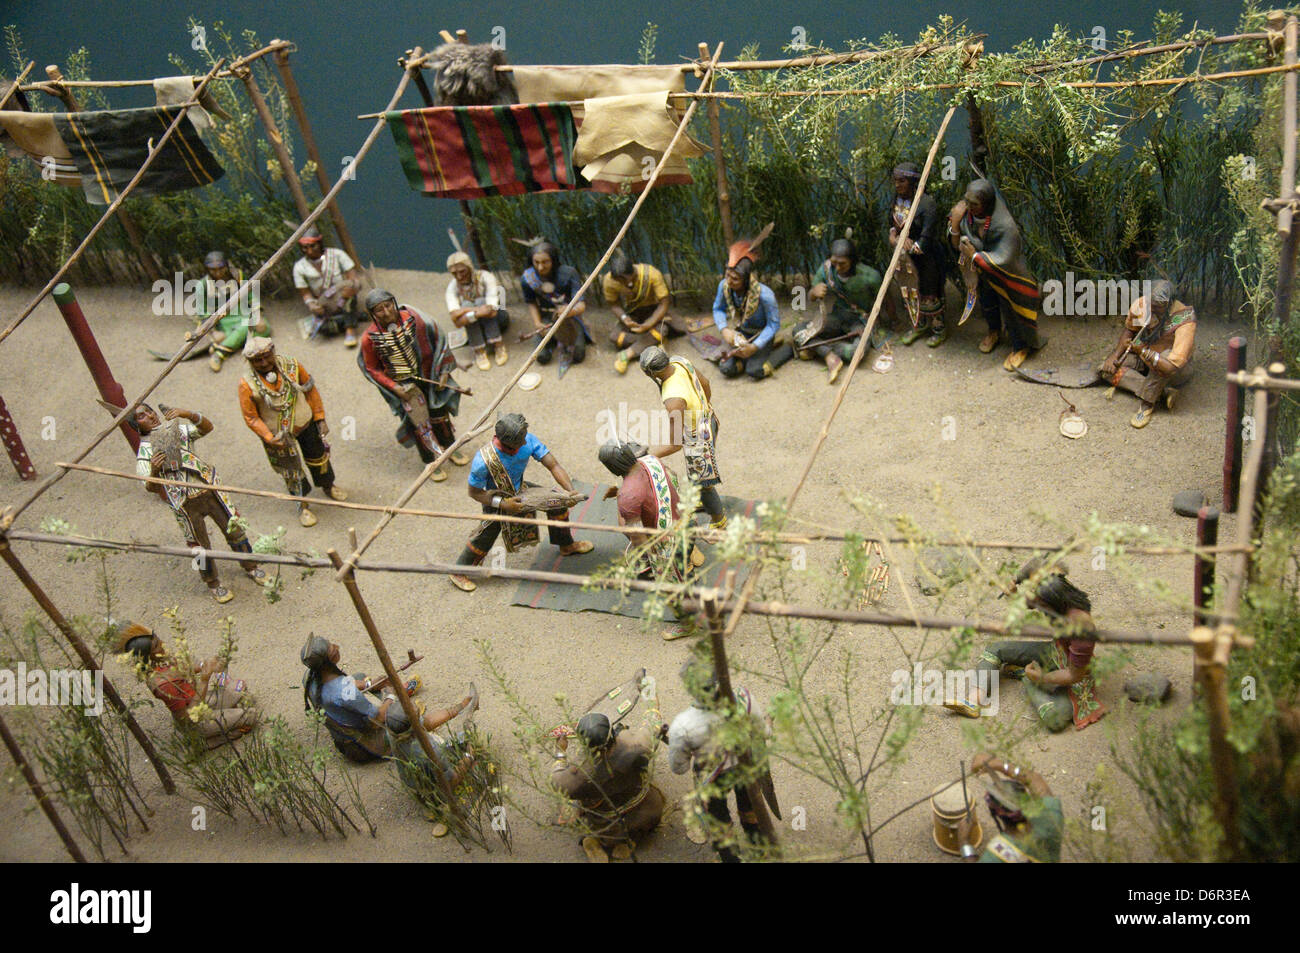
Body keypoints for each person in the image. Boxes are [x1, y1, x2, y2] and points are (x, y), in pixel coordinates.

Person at [945, 558, 1106, 732]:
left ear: (1054, 604)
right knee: (995, 650)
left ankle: (1026, 677)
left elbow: (1074, 675)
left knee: (1054, 719)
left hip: (1074, 671)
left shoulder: (1082, 627)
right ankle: (973, 700)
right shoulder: (1053, 595)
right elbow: (1035, 566)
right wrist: (1015, 582)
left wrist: (1041, 678)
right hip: (1055, 651)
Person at [128, 402, 266, 604]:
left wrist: (188, 414)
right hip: (184, 503)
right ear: (137, 427)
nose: (150, 416)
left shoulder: (179, 431)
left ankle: (251, 566)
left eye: (149, 411)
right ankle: (212, 583)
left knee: (234, 530)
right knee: (199, 548)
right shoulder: (146, 453)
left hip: (209, 492)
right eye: (142, 416)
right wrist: (154, 472)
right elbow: (149, 487)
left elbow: (207, 428)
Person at [449, 413, 593, 592]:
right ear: (507, 445)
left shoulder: (527, 440)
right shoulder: (483, 462)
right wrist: (503, 504)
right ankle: (458, 571)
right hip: (497, 498)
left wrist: (569, 491)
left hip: (521, 489)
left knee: (558, 502)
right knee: (487, 532)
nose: (525, 443)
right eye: (520, 442)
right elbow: (475, 493)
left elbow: (553, 465)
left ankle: (566, 544)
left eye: (525, 438)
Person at [666, 660, 775, 863]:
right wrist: (769, 721)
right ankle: (759, 849)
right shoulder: (744, 699)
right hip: (745, 767)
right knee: (750, 807)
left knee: (718, 820)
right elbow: (764, 732)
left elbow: (678, 768)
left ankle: (731, 858)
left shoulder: (682, 726)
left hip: (712, 779)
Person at [358, 287, 470, 480]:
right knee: (420, 424)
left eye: (388, 306)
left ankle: (450, 448)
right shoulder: (370, 339)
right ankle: (430, 460)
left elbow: (439, 340)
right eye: (379, 310)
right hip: (405, 387)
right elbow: (371, 368)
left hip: (430, 375)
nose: (386, 312)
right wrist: (394, 387)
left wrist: (443, 371)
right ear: (371, 314)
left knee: (440, 415)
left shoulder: (416, 319)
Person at [238, 337, 346, 528]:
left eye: (266, 357)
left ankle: (328, 485)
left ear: (273, 352)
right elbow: (251, 417)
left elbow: (310, 390)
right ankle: (302, 505)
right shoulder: (247, 384)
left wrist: (319, 417)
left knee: (319, 456)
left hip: (305, 422)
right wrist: (269, 437)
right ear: (250, 362)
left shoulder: (292, 366)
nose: (264, 363)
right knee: (291, 470)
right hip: (278, 435)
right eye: (257, 360)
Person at [114, 620, 258, 749]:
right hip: (195, 720)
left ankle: (225, 718)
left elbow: (187, 667)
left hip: (201, 701)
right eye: (157, 645)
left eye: (158, 639)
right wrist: (204, 680)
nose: (163, 644)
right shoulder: (162, 684)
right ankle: (204, 741)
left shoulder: (162, 660)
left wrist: (207, 665)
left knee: (242, 690)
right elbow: (188, 717)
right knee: (251, 716)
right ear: (147, 655)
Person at [949, 179, 1044, 370]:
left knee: (1011, 311)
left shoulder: (1005, 226)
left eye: (974, 203)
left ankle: (1020, 346)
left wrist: (974, 255)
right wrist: (956, 225)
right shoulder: (966, 216)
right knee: (987, 304)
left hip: (1006, 277)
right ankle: (994, 331)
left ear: (987, 203)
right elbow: (954, 243)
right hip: (983, 273)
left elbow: (1005, 258)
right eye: (966, 201)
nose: (969, 207)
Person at [552, 711, 666, 862]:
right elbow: (653, 723)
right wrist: (650, 700)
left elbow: (556, 781)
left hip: (603, 819)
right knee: (650, 810)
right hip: (640, 809)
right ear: (612, 734)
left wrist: (560, 752)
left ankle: (593, 840)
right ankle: (628, 841)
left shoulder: (578, 775)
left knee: (581, 813)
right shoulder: (633, 745)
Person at [299, 635, 431, 763]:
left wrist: (370, 684)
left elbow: (342, 685)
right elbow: (378, 719)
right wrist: (392, 695)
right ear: (328, 661)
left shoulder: (310, 676)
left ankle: (397, 693)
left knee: (360, 676)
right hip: (361, 748)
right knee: (402, 721)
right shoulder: (346, 693)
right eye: (333, 650)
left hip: (343, 734)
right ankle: (405, 700)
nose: (337, 646)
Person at [638, 347, 727, 529]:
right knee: (696, 476)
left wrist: (646, 456)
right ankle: (702, 499)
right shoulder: (679, 360)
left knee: (703, 482)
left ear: (651, 373)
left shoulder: (673, 400)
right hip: (709, 419)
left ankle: (719, 521)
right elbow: (706, 382)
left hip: (698, 438)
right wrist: (703, 406)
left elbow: (675, 444)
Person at [773, 237, 882, 383]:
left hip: (860, 321)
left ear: (853, 260)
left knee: (857, 353)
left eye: (842, 264)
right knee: (798, 331)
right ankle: (829, 356)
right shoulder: (826, 270)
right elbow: (811, 295)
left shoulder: (870, 276)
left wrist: (892, 321)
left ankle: (815, 347)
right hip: (837, 317)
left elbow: (883, 300)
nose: (837, 268)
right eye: (834, 262)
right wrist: (814, 292)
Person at [1098, 279, 1196, 429]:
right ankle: (1163, 393)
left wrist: (1142, 350)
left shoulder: (1185, 319)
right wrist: (1114, 356)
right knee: (1106, 370)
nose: (1152, 309)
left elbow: (1171, 367)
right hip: (1146, 356)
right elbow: (1130, 330)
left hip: (1172, 368)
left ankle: (1147, 405)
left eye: (1157, 307)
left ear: (1168, 303)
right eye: (1151, 304)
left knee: (1161, 366)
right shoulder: (1143, 304)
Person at [956, 752, 1063, 863]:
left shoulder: (995, 857)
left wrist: (964, 843)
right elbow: (1035, 779)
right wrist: (1001, 765)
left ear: (997, 813)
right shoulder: (1050, 816)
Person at [889, 162, 947, 348]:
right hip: (905, 258)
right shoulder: (896, 200)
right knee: (911, 292)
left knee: (930, 293)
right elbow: (891, 228)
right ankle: (919, 324)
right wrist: (895, 239)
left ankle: (939, 328)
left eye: (902, 181)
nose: (898, 185)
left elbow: (926, 239)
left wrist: (910, 245)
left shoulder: (927, 204)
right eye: (895, 181)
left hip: (927, 258)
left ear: (913, 181)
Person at [603, 251, 686, 374]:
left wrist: (649, 323)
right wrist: (624, 318)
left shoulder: (652, 275)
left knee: (662, 330)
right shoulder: (609, 280)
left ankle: (628, 353)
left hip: (653, 311)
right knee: (614, 337)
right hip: (633, 313)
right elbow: (613, 304)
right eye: (618, 281)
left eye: (623, 280)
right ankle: (653, 341)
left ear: (631, 275)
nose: (622, 283)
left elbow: (664, 303)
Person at [520, 241, 592, 366]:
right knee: (541, 357)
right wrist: (538, 324)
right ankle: (554, 338)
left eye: (545, 262)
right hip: (546, 318)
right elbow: (531, 302)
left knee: (578, 356)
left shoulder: (569, 273)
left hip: (570, 318)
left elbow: (581, 305)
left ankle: (561, 337)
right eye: (536, 262)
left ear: (553, 260)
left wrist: (570, 311)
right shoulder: (528, 278)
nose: (540, 267)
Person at [711, 253, 781, 380]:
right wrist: (724, 329)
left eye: (735, 279)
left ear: (746, 280)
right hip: (742, 334)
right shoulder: (724, 286)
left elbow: (774, 324)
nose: (729, 281)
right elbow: (718, 309)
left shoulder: (765, 295)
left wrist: (755, 346)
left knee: (754, 370)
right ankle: (746, 359)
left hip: (761, 335)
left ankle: (786, 349)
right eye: (727, 275)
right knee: (725, 368)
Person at [199, 250, 270, 373]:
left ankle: (222, 347)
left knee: (264, 329)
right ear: (207, 269)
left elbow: (251, 297)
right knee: (241, 330)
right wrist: (213, 332)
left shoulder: (238, 276)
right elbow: (202, 312)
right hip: (223, 320)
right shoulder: (202, 285)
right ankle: (224, 349)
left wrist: (258, 315)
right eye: (213, 270)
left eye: (221, 268)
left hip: (244, 313)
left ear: (226, 265)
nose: (218, 272)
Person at [292, 225, 362, 346]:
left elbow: (354, 278)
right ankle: (355, 317)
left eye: (312, 246)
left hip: (342, 296)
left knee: (349, 301)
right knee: (325, 329)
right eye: (305, 248)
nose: (309, 251)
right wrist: (312, 305)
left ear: (319, 243)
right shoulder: (299, 267)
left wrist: (352, 288)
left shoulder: (337, 254)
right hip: (324, 303)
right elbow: (305, 292)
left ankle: (350, 329)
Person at [445, 250, 510, 370]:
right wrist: (474, 310)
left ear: (469, 267)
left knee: (480, 302)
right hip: (475, 319)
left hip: (496, 319)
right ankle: (479, 350)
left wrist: (466, 312)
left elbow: (492, 311)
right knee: (467, 304)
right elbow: (455, 320)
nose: (459, 276)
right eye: (454, 273)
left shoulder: (485, 277)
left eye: (462, 271)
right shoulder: (452, 287)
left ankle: (498, 344)